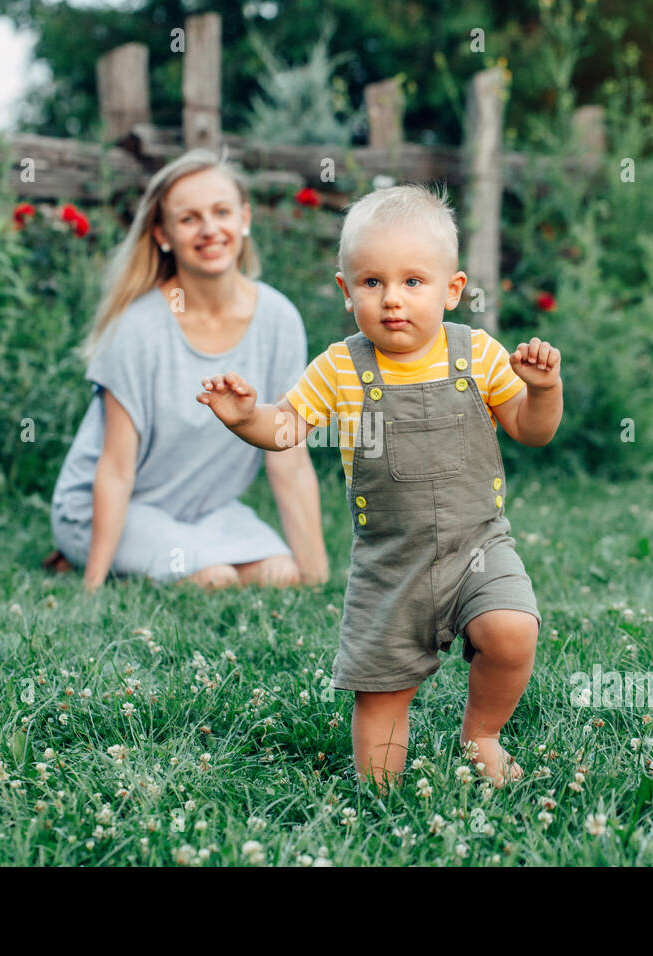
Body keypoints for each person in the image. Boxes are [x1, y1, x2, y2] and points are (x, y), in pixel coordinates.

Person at [197, 184, 564, 789]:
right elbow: (286, 426)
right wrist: (244, 417)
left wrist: (544, 391)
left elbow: (531, 429)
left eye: (413, 282)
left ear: (452, 289)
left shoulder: (476, 354)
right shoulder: (342, 366)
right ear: (347, 292)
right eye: (372, 283)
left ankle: (483, 736)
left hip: (479, 546)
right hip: (390, 563)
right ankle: (383, 798)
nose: (392, 299)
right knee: (380, 708)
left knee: (512, 628)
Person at [48, 149, 330, 593]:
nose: (209, 229)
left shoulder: (279, 319)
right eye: (189, 219)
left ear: (244, 218)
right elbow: (116, 470)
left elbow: (288, 457)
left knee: (282, 574)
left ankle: (186, 552)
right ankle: (83, 552)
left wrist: (318, 580)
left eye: (221, 212)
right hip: (108, 509)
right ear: (162, 234)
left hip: (204, 513)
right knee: (213, 577)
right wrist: (93, 586)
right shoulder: (137, 327)